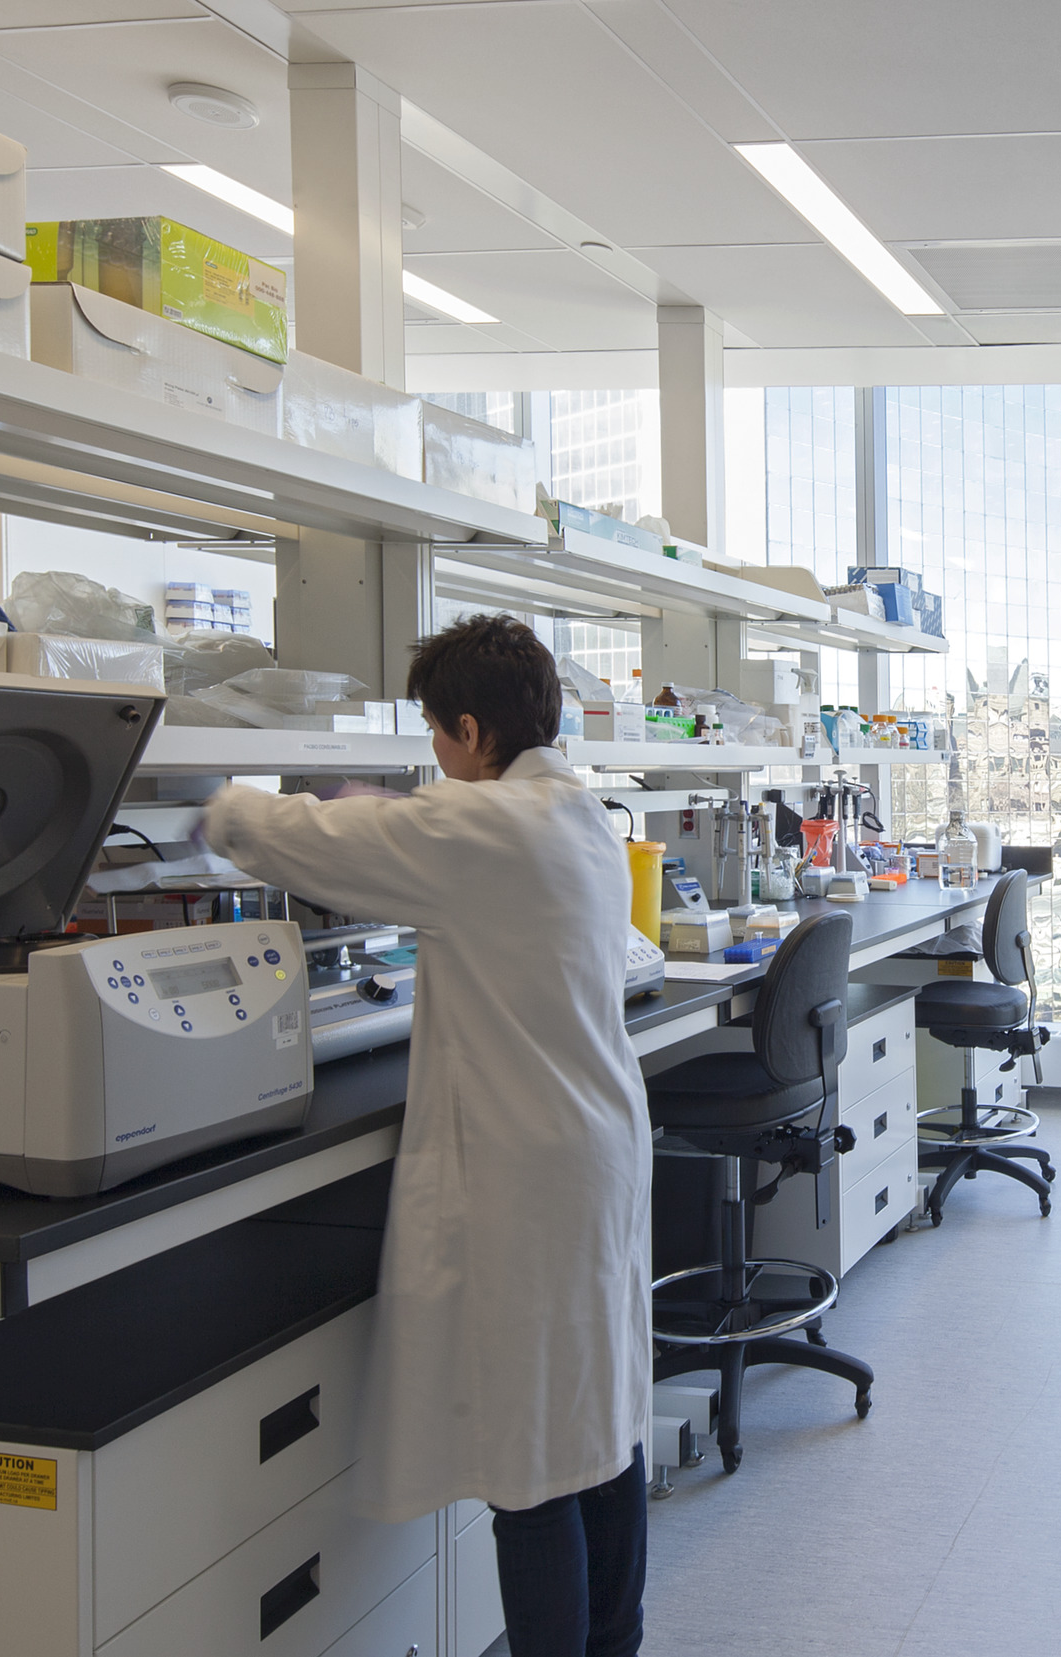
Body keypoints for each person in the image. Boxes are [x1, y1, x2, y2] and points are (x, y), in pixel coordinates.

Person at [203, 614, 651, 1657]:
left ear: (467, 728)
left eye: (436, 737)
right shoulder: (571, 810)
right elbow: (403, 831)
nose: (434, 761)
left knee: (532, 1468)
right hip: (591, 1151)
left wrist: (220, 804)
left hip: (533, 1175)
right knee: (598, 1435)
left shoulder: (490, 828)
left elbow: (316, 841)